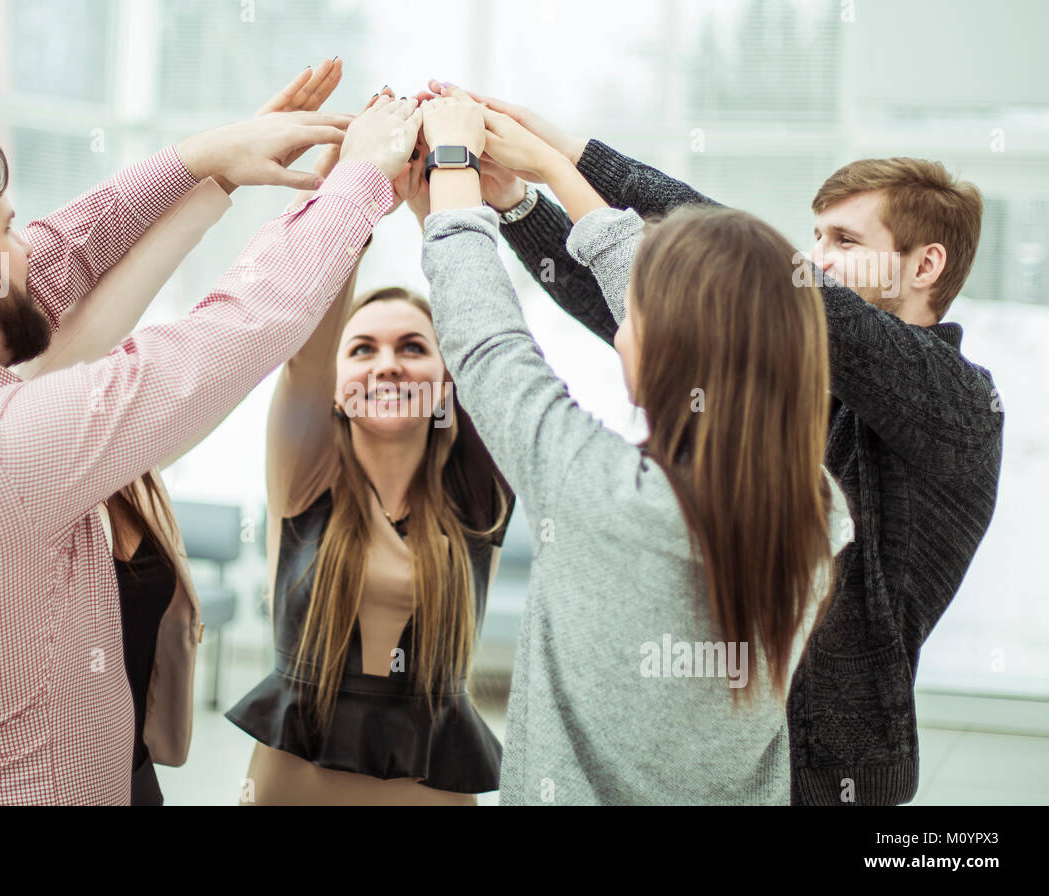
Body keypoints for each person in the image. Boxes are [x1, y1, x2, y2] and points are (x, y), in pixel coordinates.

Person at [0, 73, 422, 804]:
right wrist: (361, 181)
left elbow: (57, 260)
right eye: (9, 231)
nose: (31, 248)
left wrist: (206, 158)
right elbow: (234, 331)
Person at [437, 80, 1003, 806]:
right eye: (816, 236)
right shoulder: (806, 382)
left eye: (845, 243)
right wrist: (519, 202)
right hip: (736, 771)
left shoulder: (958, 404)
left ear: (925, 267)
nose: (814, 259)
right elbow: (664, 313)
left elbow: (734, 271)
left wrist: (567, 159)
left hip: (834, 783)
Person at [415, 88, 852, 804]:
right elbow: (709, 326)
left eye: (635, 316)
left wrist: (454, 165)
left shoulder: (600, 493)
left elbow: (487, 344)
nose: (619, 327)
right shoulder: (815, 507)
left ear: (668, 351)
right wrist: (539, 182)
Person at [18, 62, 347, 807]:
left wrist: (226, 175)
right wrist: (322, 203)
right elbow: (236, 329)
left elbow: (136, 319)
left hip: (131, 781)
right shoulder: (18, 446)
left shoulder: (129, 464)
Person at [225, 94, 515, 805]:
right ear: (338, 382)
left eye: (413, 348)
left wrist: (435, 207)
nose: (386, 363)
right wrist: (356, 199)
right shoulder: (305, 476)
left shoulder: (477, 496)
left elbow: (490, 342)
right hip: (294, 783)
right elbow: (305, 355)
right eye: (364, 349)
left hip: (431, 783)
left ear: (447, 377)